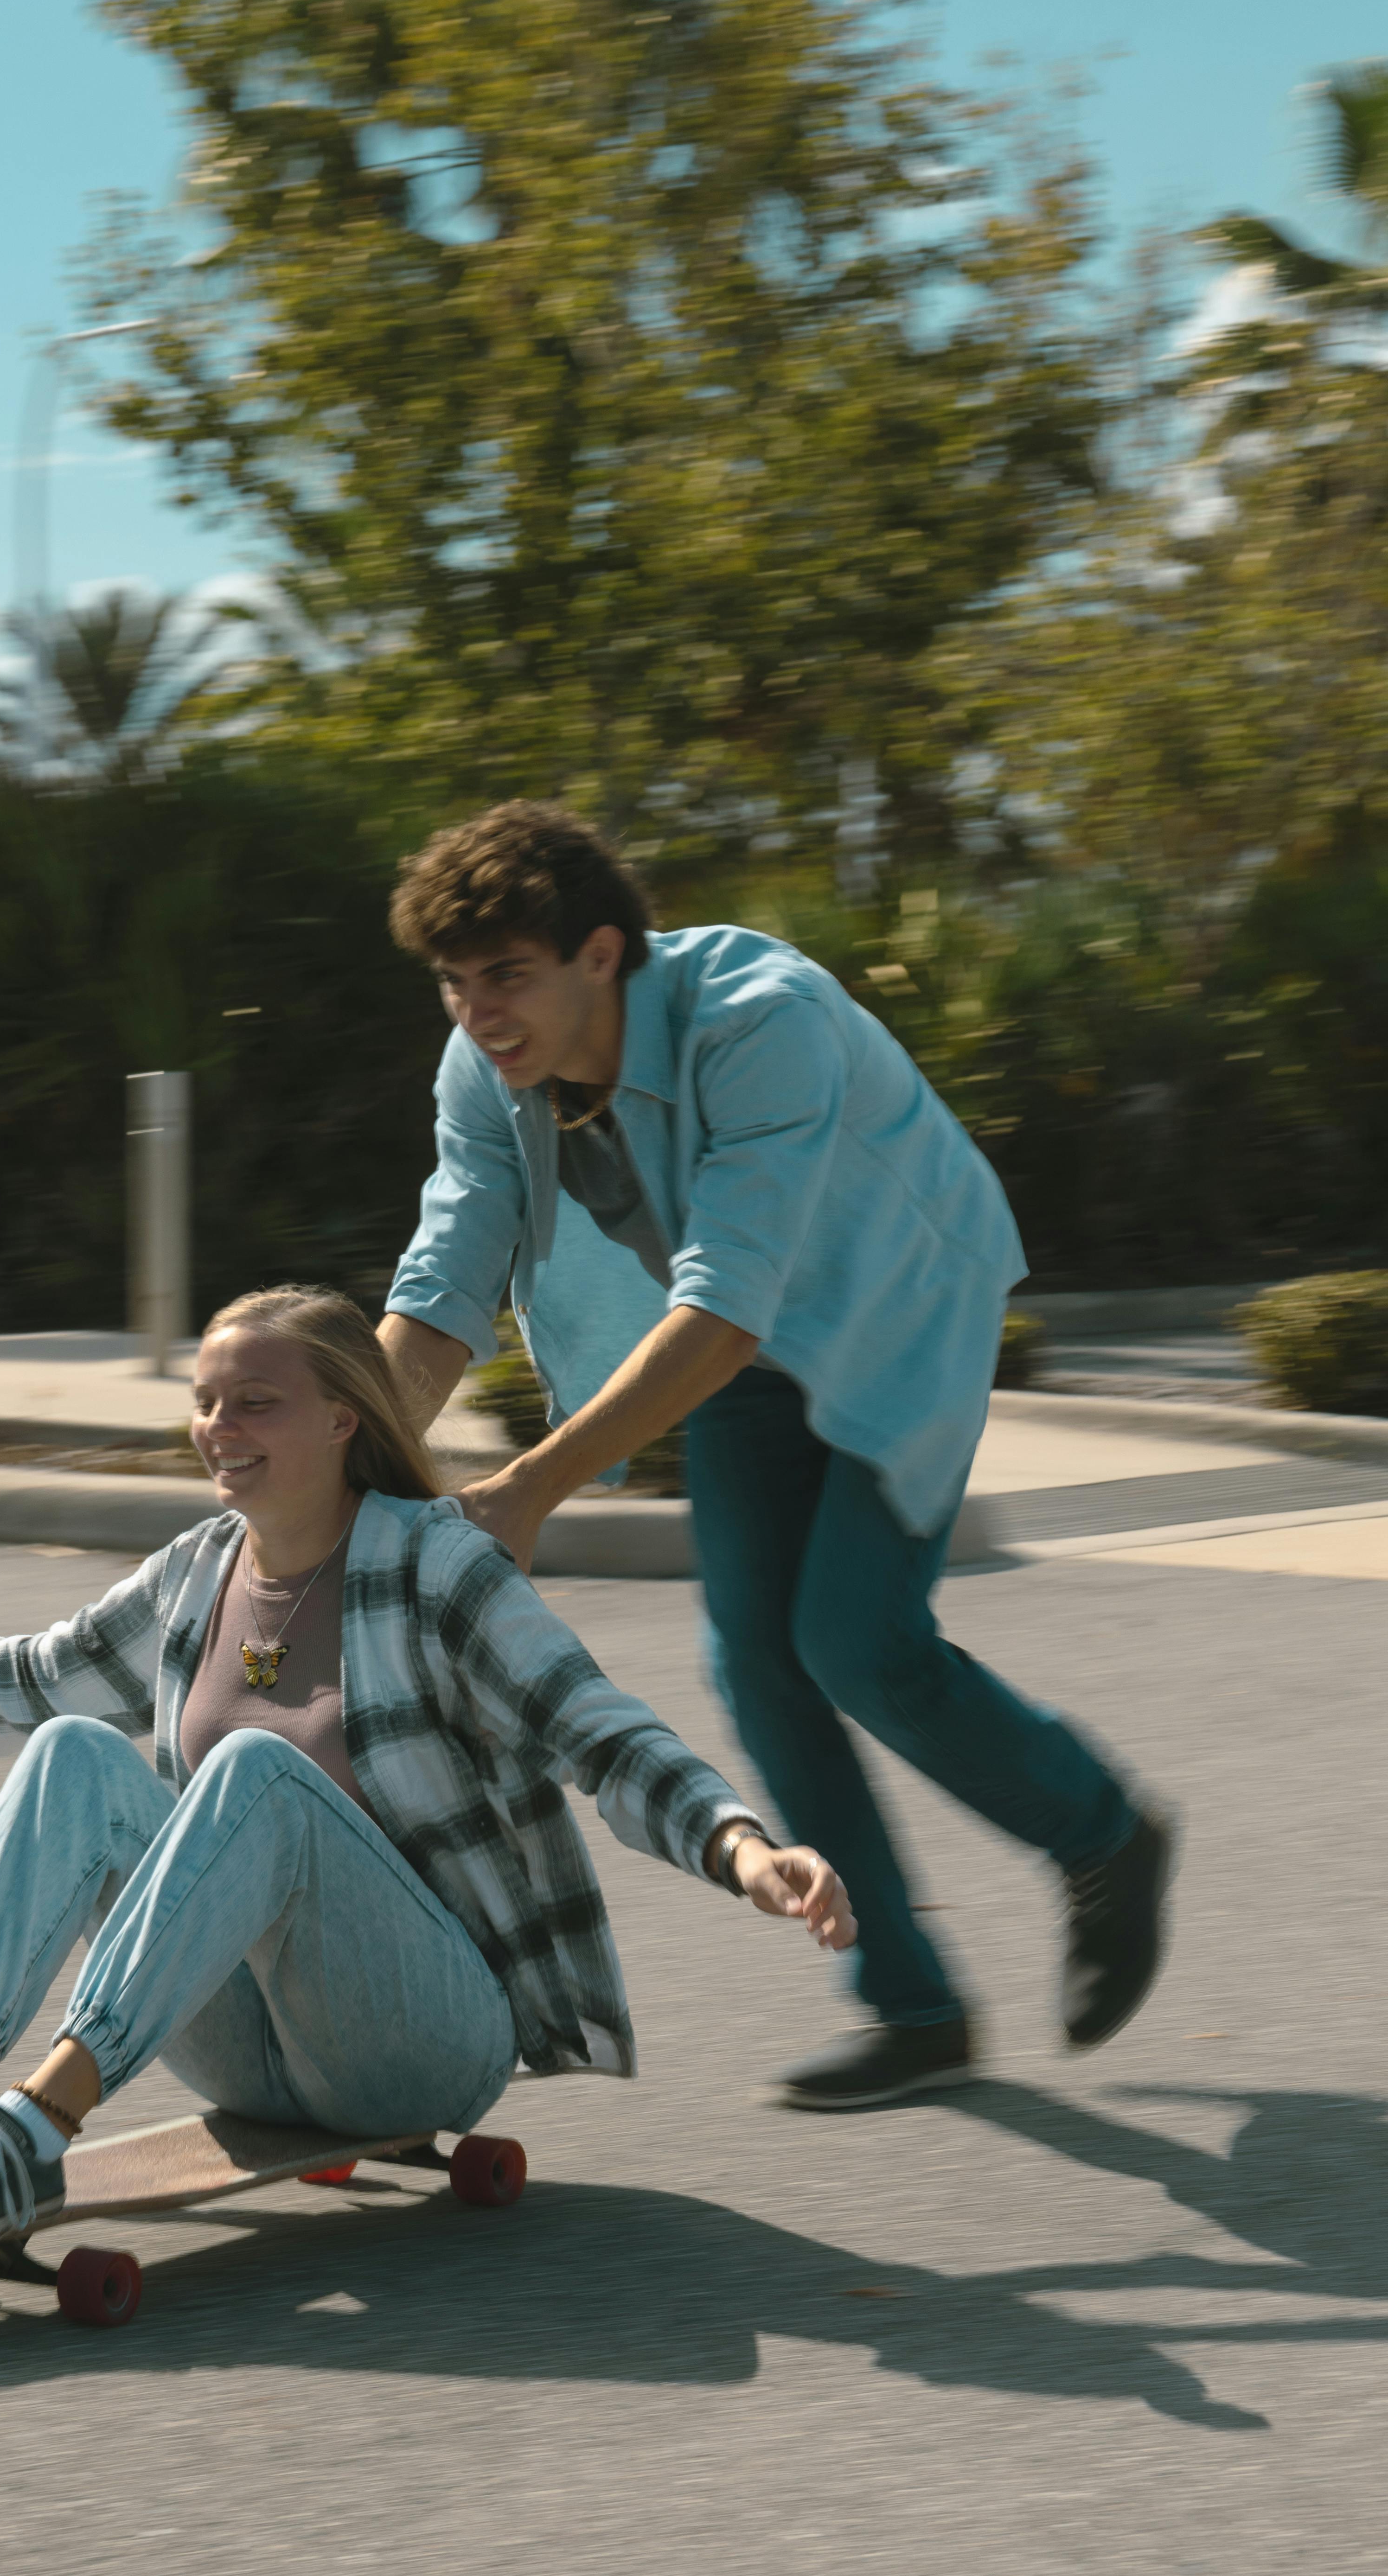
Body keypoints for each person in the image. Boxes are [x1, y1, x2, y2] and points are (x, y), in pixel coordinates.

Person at [0, 1284, 855, 2260]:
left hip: (424, 2038)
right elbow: (36, 1674)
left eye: (256, 1401)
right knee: (72, 1751)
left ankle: (24, 2142)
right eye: (204, 1403)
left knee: (252, 1769)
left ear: (348, 1420)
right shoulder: (196, 1575)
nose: (217, 1425)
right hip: (249, 2050)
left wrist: (740, 1847)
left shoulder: (435, 1569)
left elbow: (598, 1732)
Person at [376, 802, 1174, 2113]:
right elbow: (445, 1279)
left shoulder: (760, 1014)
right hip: (737, 1343)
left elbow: (730, 1301)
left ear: (602, 953)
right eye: (456, 985)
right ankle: (914, 2009)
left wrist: (529, 1489)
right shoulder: (486, 1072)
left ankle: (1106, 1835)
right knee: (754, 1656)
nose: (479, 1012)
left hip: (896, 1309)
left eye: (506, 975)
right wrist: (345, 1447)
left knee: (858, 1640)